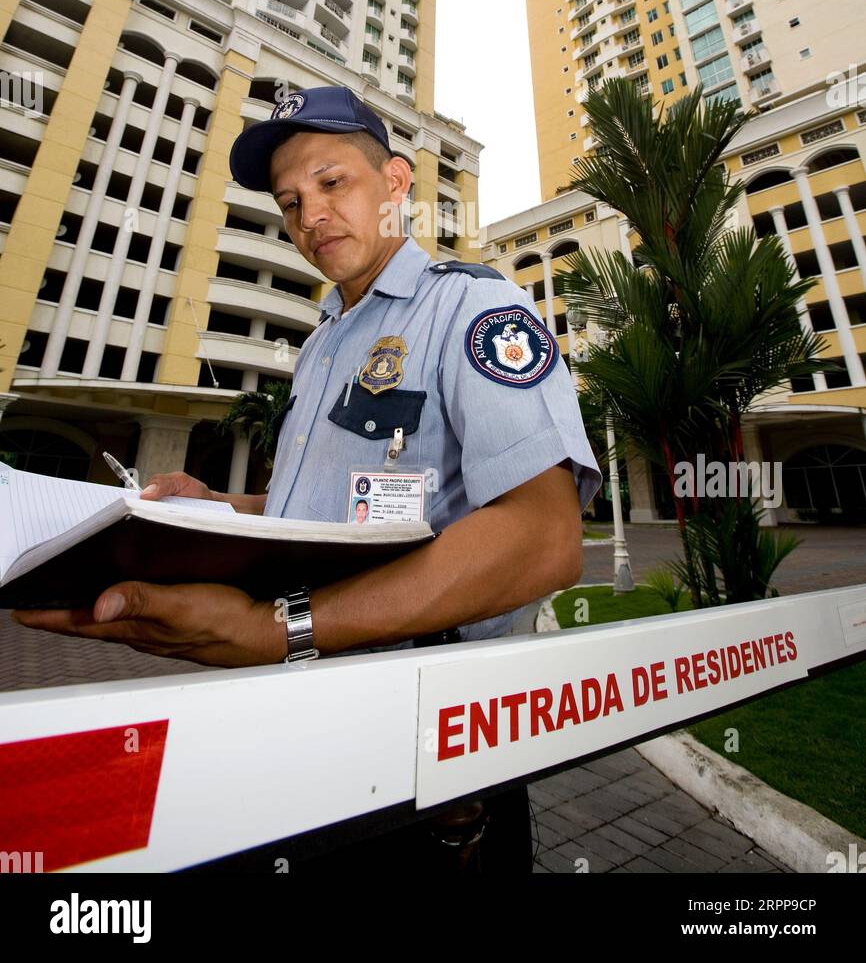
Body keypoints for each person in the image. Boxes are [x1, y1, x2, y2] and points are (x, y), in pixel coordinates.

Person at [13, 85, 602, 872]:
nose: (309, 216)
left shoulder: (472, 308)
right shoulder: (326, 339)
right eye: (291, 202)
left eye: (332, 184)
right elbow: (331, 505)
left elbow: (544, 537)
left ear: (397, 182)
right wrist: (223, 506)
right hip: (297, 719)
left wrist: (276, 627)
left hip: (426, 757)